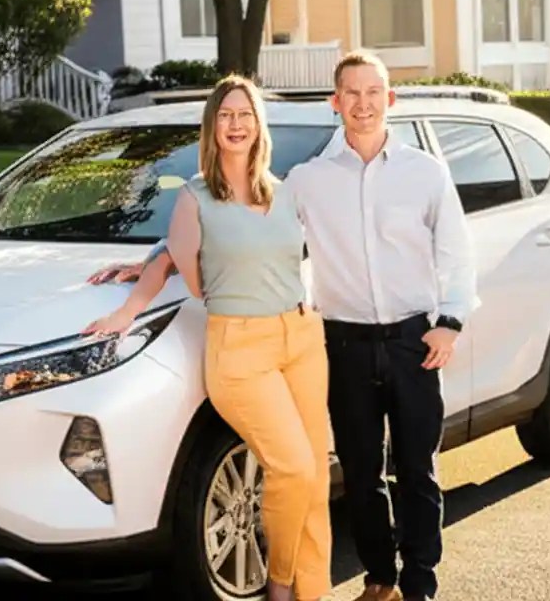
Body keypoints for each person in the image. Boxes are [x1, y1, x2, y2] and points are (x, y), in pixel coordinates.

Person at [90, 51, 478, 601]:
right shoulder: (308, 180)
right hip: (336, 343)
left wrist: (451, 321)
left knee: (409, 470)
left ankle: (413, 587)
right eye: (352, 94)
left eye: (374, 93)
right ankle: (366, 581)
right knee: (351, 475)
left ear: (389, 99)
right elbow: (216, 223)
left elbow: (457, 254)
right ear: (335, 103)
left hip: (398, 339)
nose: (364, 105)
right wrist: (153, 262)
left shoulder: (408, 175)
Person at [82, 74, 334, 601]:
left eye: (245, 114)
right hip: (240, 348)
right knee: (290, 467)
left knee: (312, 480)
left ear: (258, 125)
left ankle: (313, 593)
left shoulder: (284, 193)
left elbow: (287, 256)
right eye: (226, 115)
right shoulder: (197, 197)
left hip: (302, 338)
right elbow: (174, 255)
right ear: (213, 127)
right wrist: (128, 310)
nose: (236, 124)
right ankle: (281, 587)